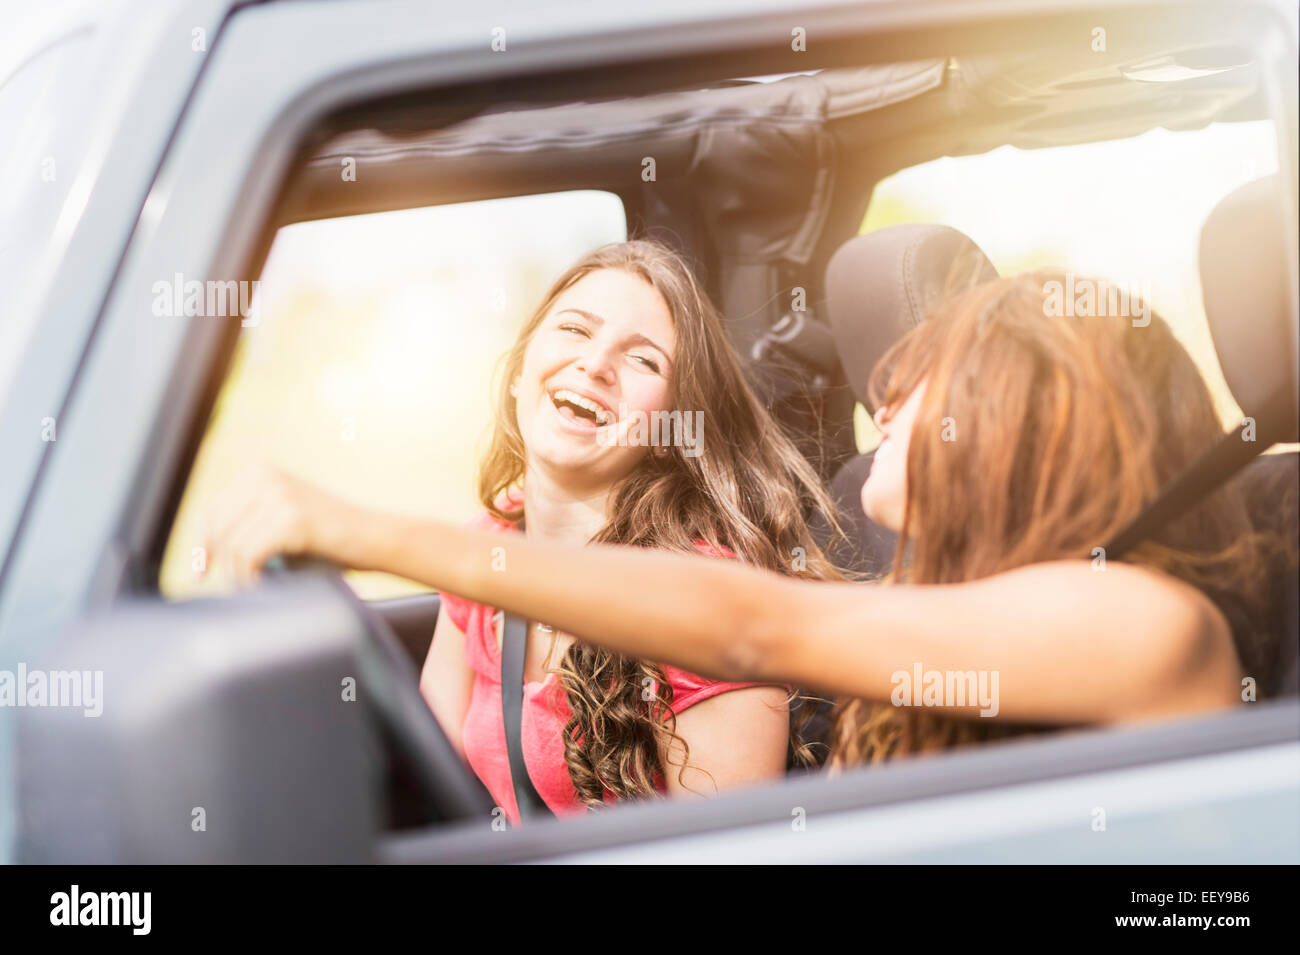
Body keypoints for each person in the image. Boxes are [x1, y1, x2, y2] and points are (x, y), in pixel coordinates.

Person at [200, 239, 841, 820]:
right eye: (573, 330)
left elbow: (731, 854)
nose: (594, 365)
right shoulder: (489, 545)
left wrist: (353, 532)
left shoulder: (701, 598)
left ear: (675, 429)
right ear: (517, 374)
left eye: (642, 360)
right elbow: (436, 784)